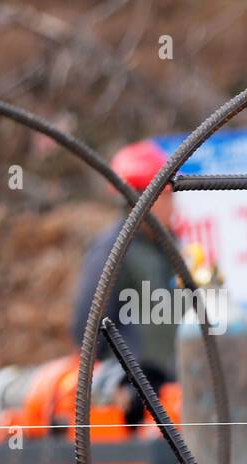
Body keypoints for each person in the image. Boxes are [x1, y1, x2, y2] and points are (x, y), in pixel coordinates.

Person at [70, 139, 179, 382]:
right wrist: (121, 380)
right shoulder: (112, 252)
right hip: (137, 396)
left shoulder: (170, 248)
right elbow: (86, 330)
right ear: (140, 200)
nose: (173, 205)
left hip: (177, 386)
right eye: (166, 197)